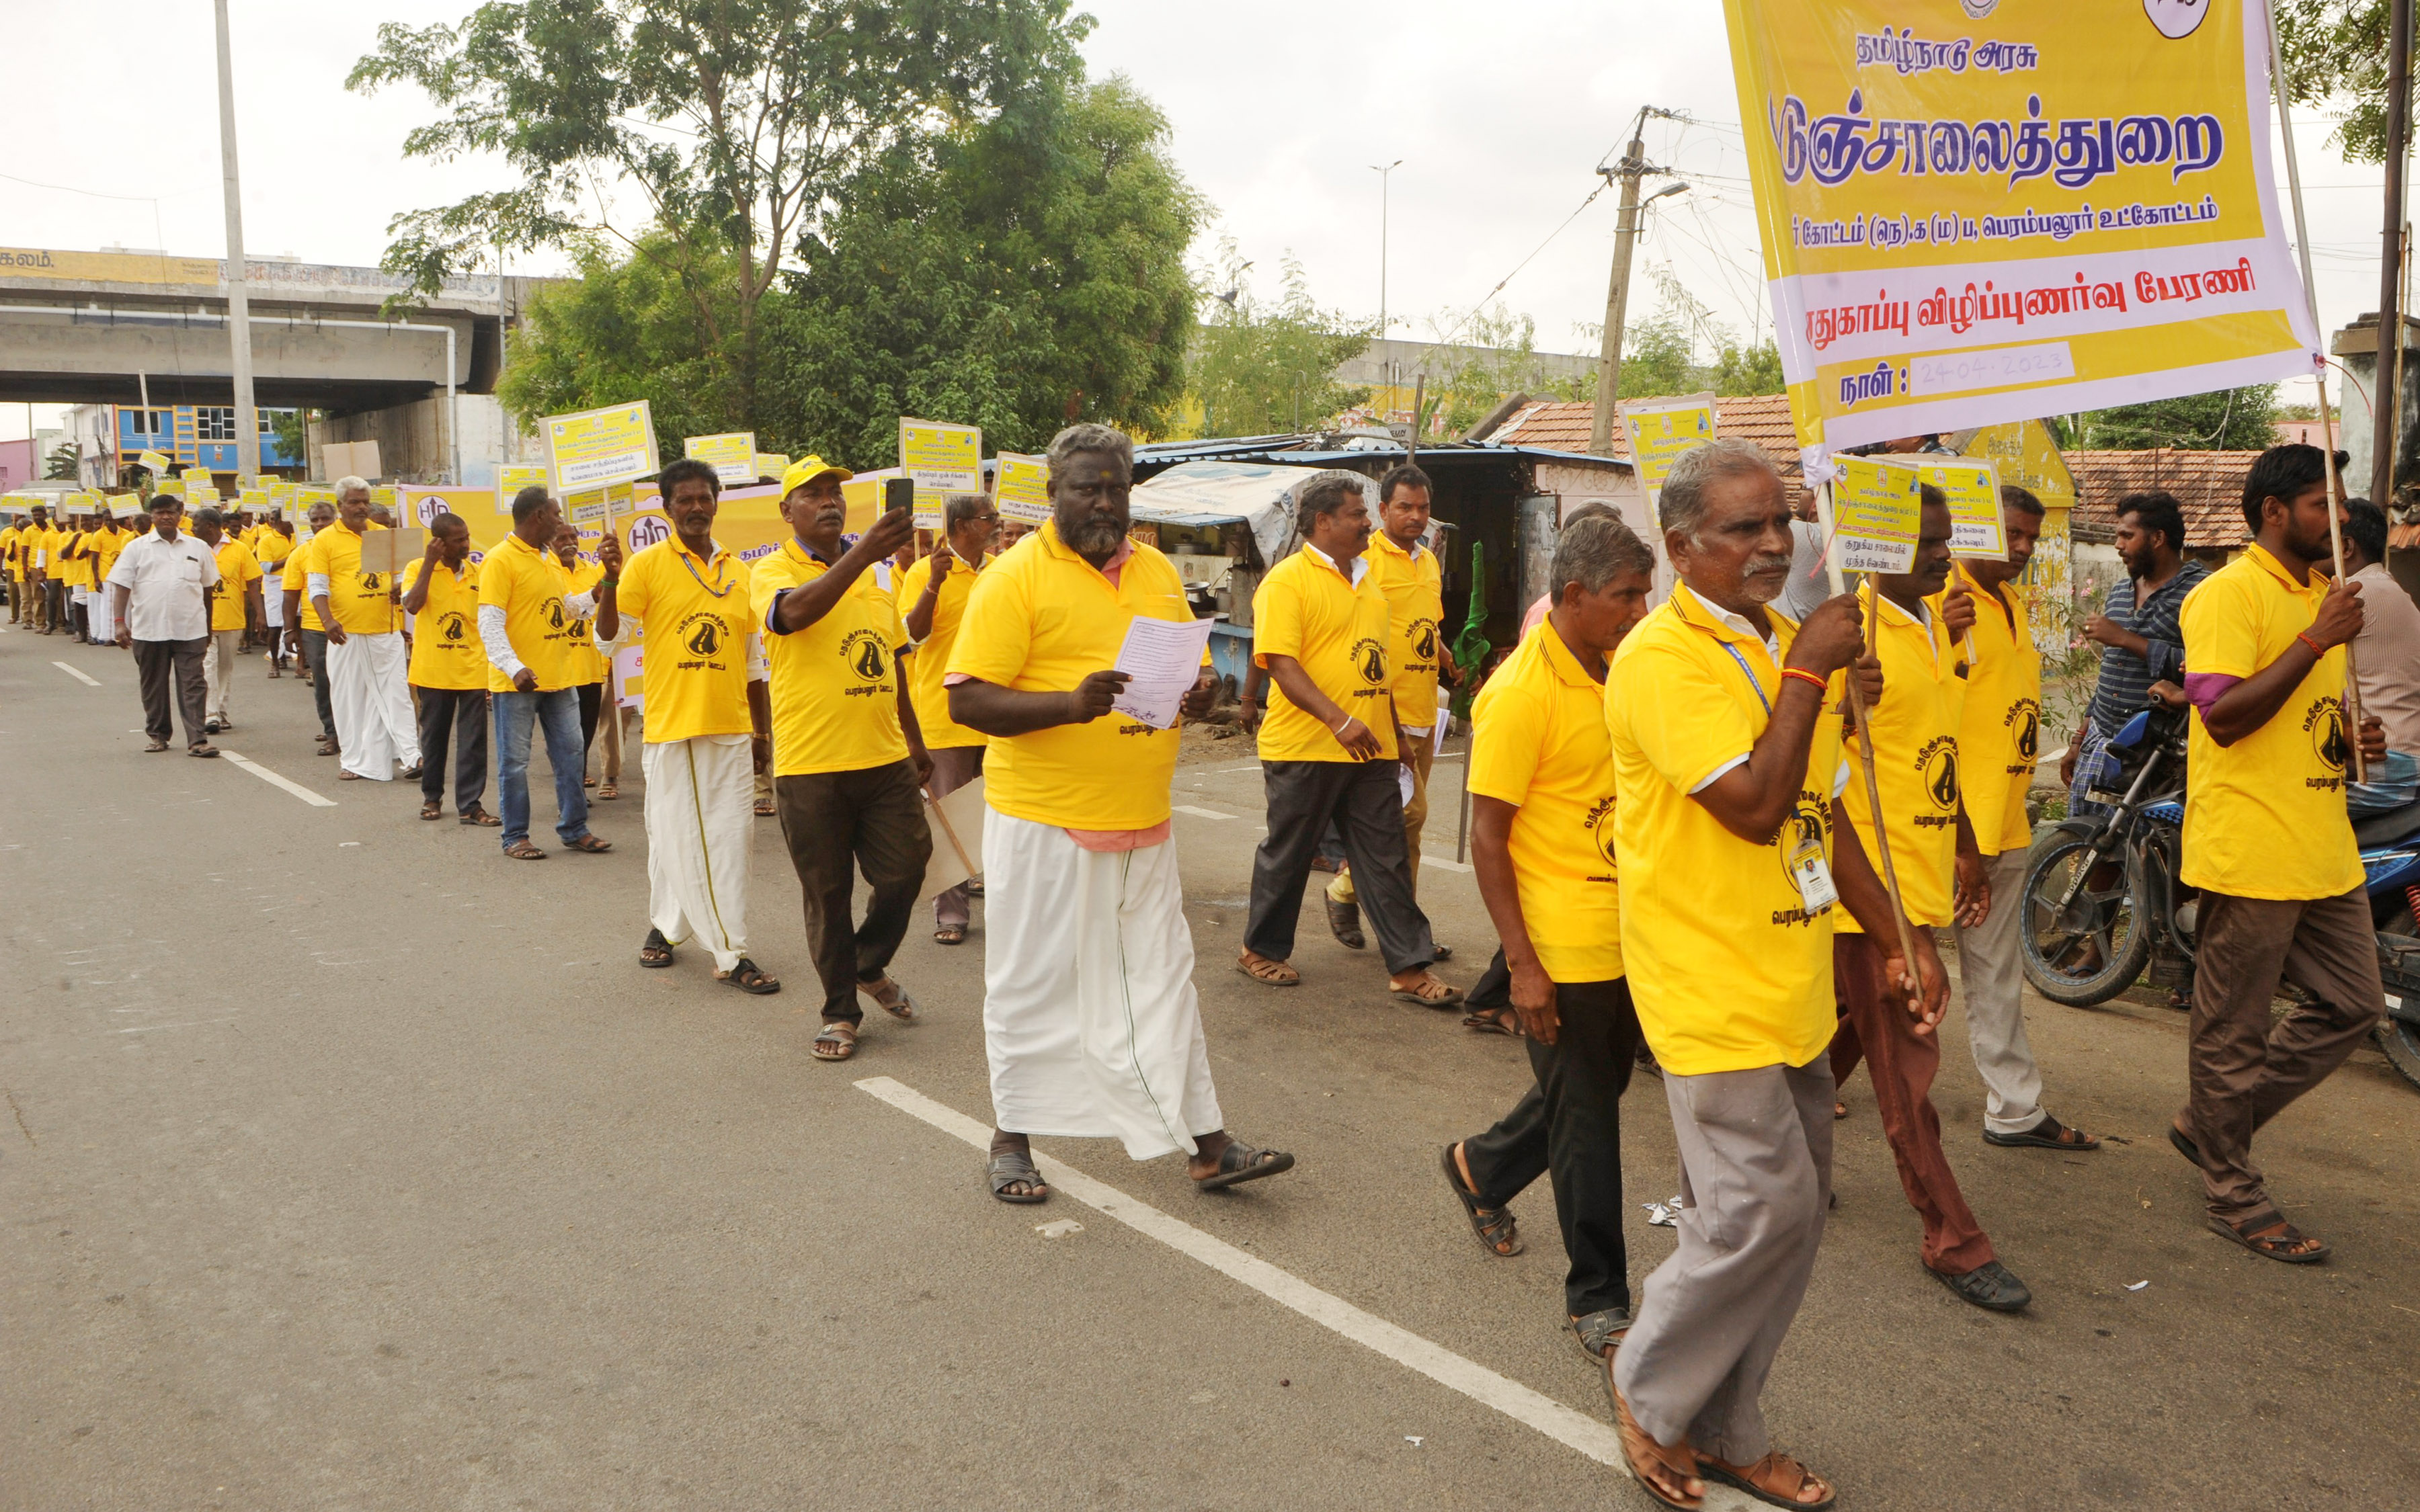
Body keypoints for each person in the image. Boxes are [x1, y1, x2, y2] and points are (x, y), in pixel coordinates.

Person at [1605, 439, 1945, 1511]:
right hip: (1705, 985)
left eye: (1779, 522)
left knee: (1789, 1221)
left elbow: (1820, 809)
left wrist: (1896, 934)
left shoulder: (1779, 639)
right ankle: (1649, 1384)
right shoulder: (1661, 658)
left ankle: (1726, 1426)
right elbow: (1753, 805)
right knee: (1758, 1212)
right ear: (1680, 547)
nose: (1772, 543)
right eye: (1742, 527)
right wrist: (1811, 673)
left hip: (1791, 980)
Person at [947, 422, 1293, 1203]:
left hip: (1142, 819)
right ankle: (1012, 1138)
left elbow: (1188, 670)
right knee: (1034, 983)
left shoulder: (1158, 572)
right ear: (1053, 494)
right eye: (1087, 488)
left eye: (1116, 488)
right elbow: (966, 700)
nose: (1105, 502)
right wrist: (1067, 706)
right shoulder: (1013, 577)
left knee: (1163, 981)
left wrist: (1201, 692)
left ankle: (1207, 1143)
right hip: (1043, 822)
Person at [1441, 513, 1656, 1364]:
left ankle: (1482, 1168)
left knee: (1593, 1092)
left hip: (1631, 929)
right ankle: (1597, 1297)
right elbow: (1488, 837)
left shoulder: (1620, 669)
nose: (1640, 611)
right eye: (1625, 597)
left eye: (1645, 594)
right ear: (1572, 595)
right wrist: (1522, 967)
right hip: (1562, 944)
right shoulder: (1519, 694)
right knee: (1589, 1122)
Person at [2173, 444, 2387, 1264]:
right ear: (2273, 512)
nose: (2340, 516)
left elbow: (2302, 717)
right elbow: (2223, 717)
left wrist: (2353, 740)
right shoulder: (2227, 592)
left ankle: (2211, 1124)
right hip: (2252, 846)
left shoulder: (2323, 596)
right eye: (2321, 503)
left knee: (2355, 1005)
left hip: (2323, 845)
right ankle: (2232, 1191)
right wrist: (2314, 641)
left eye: (2340, 501)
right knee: (2234, 1031)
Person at [1828, 485, 2033, 1313]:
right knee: (1908, 1071)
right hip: (1866, 896)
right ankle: (1953, 1239)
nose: (1948, 556)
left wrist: (1966, 849)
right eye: (1930, 542)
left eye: (1948, 540)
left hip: (1921, 879)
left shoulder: (1931, 625)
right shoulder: (1846, 633)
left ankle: (1771, 1157)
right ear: (1879, 547)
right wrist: (1841, 704)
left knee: (1838, 1042)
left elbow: (1936, 751)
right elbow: (1810, 767)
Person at [1238, 472, 1460, 1006]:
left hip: (1371, 748)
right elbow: (1282, 665)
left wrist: (1393, 733)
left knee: (1385, 856)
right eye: (1358, 514)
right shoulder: (1287, 582)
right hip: (1306, 747)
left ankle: (1410, 967)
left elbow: (1376, 666)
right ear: (1324, 522)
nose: (1367, 523)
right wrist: (1339, 721)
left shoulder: (1368, 581)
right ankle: (1258, 950)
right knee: (1290, 854)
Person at [752, 456, 934, 1057]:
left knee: (907, 870)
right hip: (811, 766)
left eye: (835, 491)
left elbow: (893, 659)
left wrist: (914, 738)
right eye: (813, 494)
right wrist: (863, 555)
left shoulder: (877, 577)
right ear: (787, 511)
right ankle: (840, 1012)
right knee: (828, 894)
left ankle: (865, 963)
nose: (829, 501)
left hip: (884, 758)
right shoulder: (771, 569)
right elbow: (792, 614)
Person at [1951, 486, 2100, 1154]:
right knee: (1881, 977)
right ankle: (1804, 1099)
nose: (2022, 548)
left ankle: (2014, 1110)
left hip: (2004, 822)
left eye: (2031, 538)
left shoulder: (2008, 602)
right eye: (2010, 533)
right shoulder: (1939, 602)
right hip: (1944, 827)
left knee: (1996, 976)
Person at [597, 459, 778, 991]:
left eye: (705, 498)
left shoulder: (740, 572)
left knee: (729, 841)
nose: (697, 508)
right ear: (667, 507)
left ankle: (679, 931)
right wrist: (609, 580)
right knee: (673, 837)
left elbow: (753, 663)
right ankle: (727, 953)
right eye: (685, 500)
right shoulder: (646, 566)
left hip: (731, 728)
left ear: (717, 501)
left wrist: (761, 733)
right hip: (674, 727)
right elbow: (607, 640)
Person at [1324, 463, 1458, 955]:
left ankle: (1406, 935)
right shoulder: (1367, 561)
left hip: (1425, 710)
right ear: (1383, 510)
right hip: (1384, 713)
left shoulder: (1430, 562)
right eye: (1404, 507)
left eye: (1423, 508)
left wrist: (1447, 656)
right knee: (1407, 817)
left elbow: (1425, 624)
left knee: (1408, 834)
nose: (1415, 516)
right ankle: (1344, 891)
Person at [479, 487, 610, 860]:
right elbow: (489, 622)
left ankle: (575, 828)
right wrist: (514, 667)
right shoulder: (500, 560)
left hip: (560, 677)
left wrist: (595, 594)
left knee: (571, 755)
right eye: (556, 514)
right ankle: (515, 837)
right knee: (515, 763)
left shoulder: (548, 558)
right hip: (518, 682)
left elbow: (562, 609)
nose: (560, 521)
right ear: (538, 516)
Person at [2062, 491, 2208, 816]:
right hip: (2101, 741)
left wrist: (2125, 639)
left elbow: (2207, 667)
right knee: (2085, 836)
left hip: (2157, 755)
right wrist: (2080, 738)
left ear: (2158, 538)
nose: (2118, 545)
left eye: (2127, 535)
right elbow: (2109, 673)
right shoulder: (2119, 591)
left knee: (2138, 840)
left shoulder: (2203, 592)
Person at [897, 491, 1000, 944]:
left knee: (996, 816)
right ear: (960, 526)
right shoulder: (924, 570)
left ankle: (1004, 903)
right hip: (944, 715)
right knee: (949, 818)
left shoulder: (1002, 571)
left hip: (997, 713)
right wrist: (935, 584)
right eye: (987, 517)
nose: (996, 523)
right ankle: (952, 915)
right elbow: (911, 637)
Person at [307, 478, 421, 783]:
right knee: (351, 700)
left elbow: (402, 575)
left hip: (386, 629)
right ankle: (356, 761)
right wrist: (328, 621)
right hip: (346, 633)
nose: (362, 508)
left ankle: (412, 756)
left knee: (396, 694)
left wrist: (400, 587)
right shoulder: (325, 540)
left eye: (365, 502)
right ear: (340, 506)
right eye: (355, 502)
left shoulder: (382, 534)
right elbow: (317, 586)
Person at [106, 495, 221, 757]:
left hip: (190, 629)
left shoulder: (198, 547)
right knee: (153, 686)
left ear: (180, 514)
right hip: (149, 630)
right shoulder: (136, 548)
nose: (166, 517)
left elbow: (207, 590)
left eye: (170, 512)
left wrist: (207, 628)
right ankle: (158, 735)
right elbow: (122, 586)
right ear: (152, 516)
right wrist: (120, 623)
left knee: (194, 684)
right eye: (159, 513)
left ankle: (197, 740)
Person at [401, 512, 496, 826]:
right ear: (439, 543)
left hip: (472, 669)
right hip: (433, 670)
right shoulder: (417, 568)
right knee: (434, 738)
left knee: (473, 742)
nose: (466, 544)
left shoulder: (478, 572)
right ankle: (432, 798)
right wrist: (430, 564)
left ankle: (470, 805)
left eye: (467, 537)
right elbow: (412, 605)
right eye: (458, 540)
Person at [2339, 498, 2420, 753]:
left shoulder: (2355, 594)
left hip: (2387, 756)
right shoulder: (2391, 589)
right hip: (2406, 749)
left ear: (2346, 547)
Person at [551, 521, 613, 792]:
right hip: (560, 670)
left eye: (573, 537)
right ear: (549, 541)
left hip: (590, 667)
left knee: (585, 731)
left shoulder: (592, 571)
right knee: (566, 736)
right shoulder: (548, 572)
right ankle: (571, 788)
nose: (569, 542)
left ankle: (577, 775)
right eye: (562, 538)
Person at [191, 508, 264, 735]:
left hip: (232, 619)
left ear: (210, 527)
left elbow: (252, 583)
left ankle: (220, 712)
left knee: (224, 669)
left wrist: (260, 614)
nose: (192, 529)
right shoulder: (192, 549)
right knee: (207, 667)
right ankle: (210, 715)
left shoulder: (240, 549)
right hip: (201, 621)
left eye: (196, 525)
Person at [284, 501, 341, 752]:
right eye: (315, 520)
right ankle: (332, 733)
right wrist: (289, 630)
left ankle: (355, 732)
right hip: (315, 629)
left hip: (351, 626)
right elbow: (291, 594)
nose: (319, 524)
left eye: (325, 519)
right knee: (324, 681)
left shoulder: (351, 545)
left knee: (351, 682)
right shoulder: (300, 553)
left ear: (335, 518)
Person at [257, 513, 294, 675]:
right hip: (275, 585)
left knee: (296, 623)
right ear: (279, 521)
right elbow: (266, 567)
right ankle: (275, 663)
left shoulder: (298, 537)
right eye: (288, 521)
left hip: (296, 582)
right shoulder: (266, 540)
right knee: (276, 626)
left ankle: (300, 663)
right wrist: (291, 558)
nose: (292, 524)